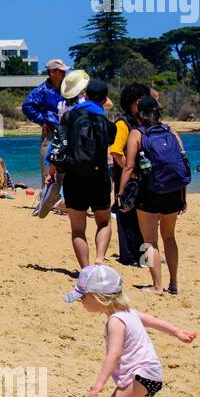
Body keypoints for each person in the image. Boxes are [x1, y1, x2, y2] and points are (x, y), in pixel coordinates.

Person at [68, 265, 196, 397]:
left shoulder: (115, 321)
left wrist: (99, 384)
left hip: (141, 373)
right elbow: (153, 321)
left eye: (83, 296)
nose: (80, 301)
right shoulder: (129, 313)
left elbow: (114, 354)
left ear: (98, 296)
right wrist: (177, 332)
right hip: (150, 374)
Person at [118, 94, 189, 295]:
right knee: (170, 237)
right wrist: (183, 197)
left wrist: (121, 192)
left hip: (148, 192)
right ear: (158, 111)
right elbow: (182, 165)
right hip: (173, 192)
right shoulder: (171, 131)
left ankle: (157, 285)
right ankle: (174, 283)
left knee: (149, 240)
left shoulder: (137, 134)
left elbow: (129, 166)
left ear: (139, 113)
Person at [56, 76, 117, 269]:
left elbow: (59, 145)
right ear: (104, 99)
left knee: (78, 229)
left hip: (74, 177)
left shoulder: (69, 116)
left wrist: (53, 171)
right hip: (99, 177)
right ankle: (99, 258)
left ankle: (85, 269)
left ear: (85, 94)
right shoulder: (108, 125)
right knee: (104, 223)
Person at [109, 83, 150, 267]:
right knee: (127, 218)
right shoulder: (122, 123)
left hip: (144, 178)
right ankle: (129, 257)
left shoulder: (144, 121)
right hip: (127, 179)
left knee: (146, 219)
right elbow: (116, 151)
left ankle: (145, 256)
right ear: (132, 103)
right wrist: (131, 171)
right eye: (141, 100)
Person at [22, 59, 69, 187]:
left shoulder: (67, 88)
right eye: (62, 71)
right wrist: (42, 121)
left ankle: (63, 202)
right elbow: (27, 106)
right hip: (50, 133)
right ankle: (46, 200)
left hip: (67, 133)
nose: (65, 73)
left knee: (66, 171)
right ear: (52, 72)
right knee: (47, 170)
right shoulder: (41, 90)